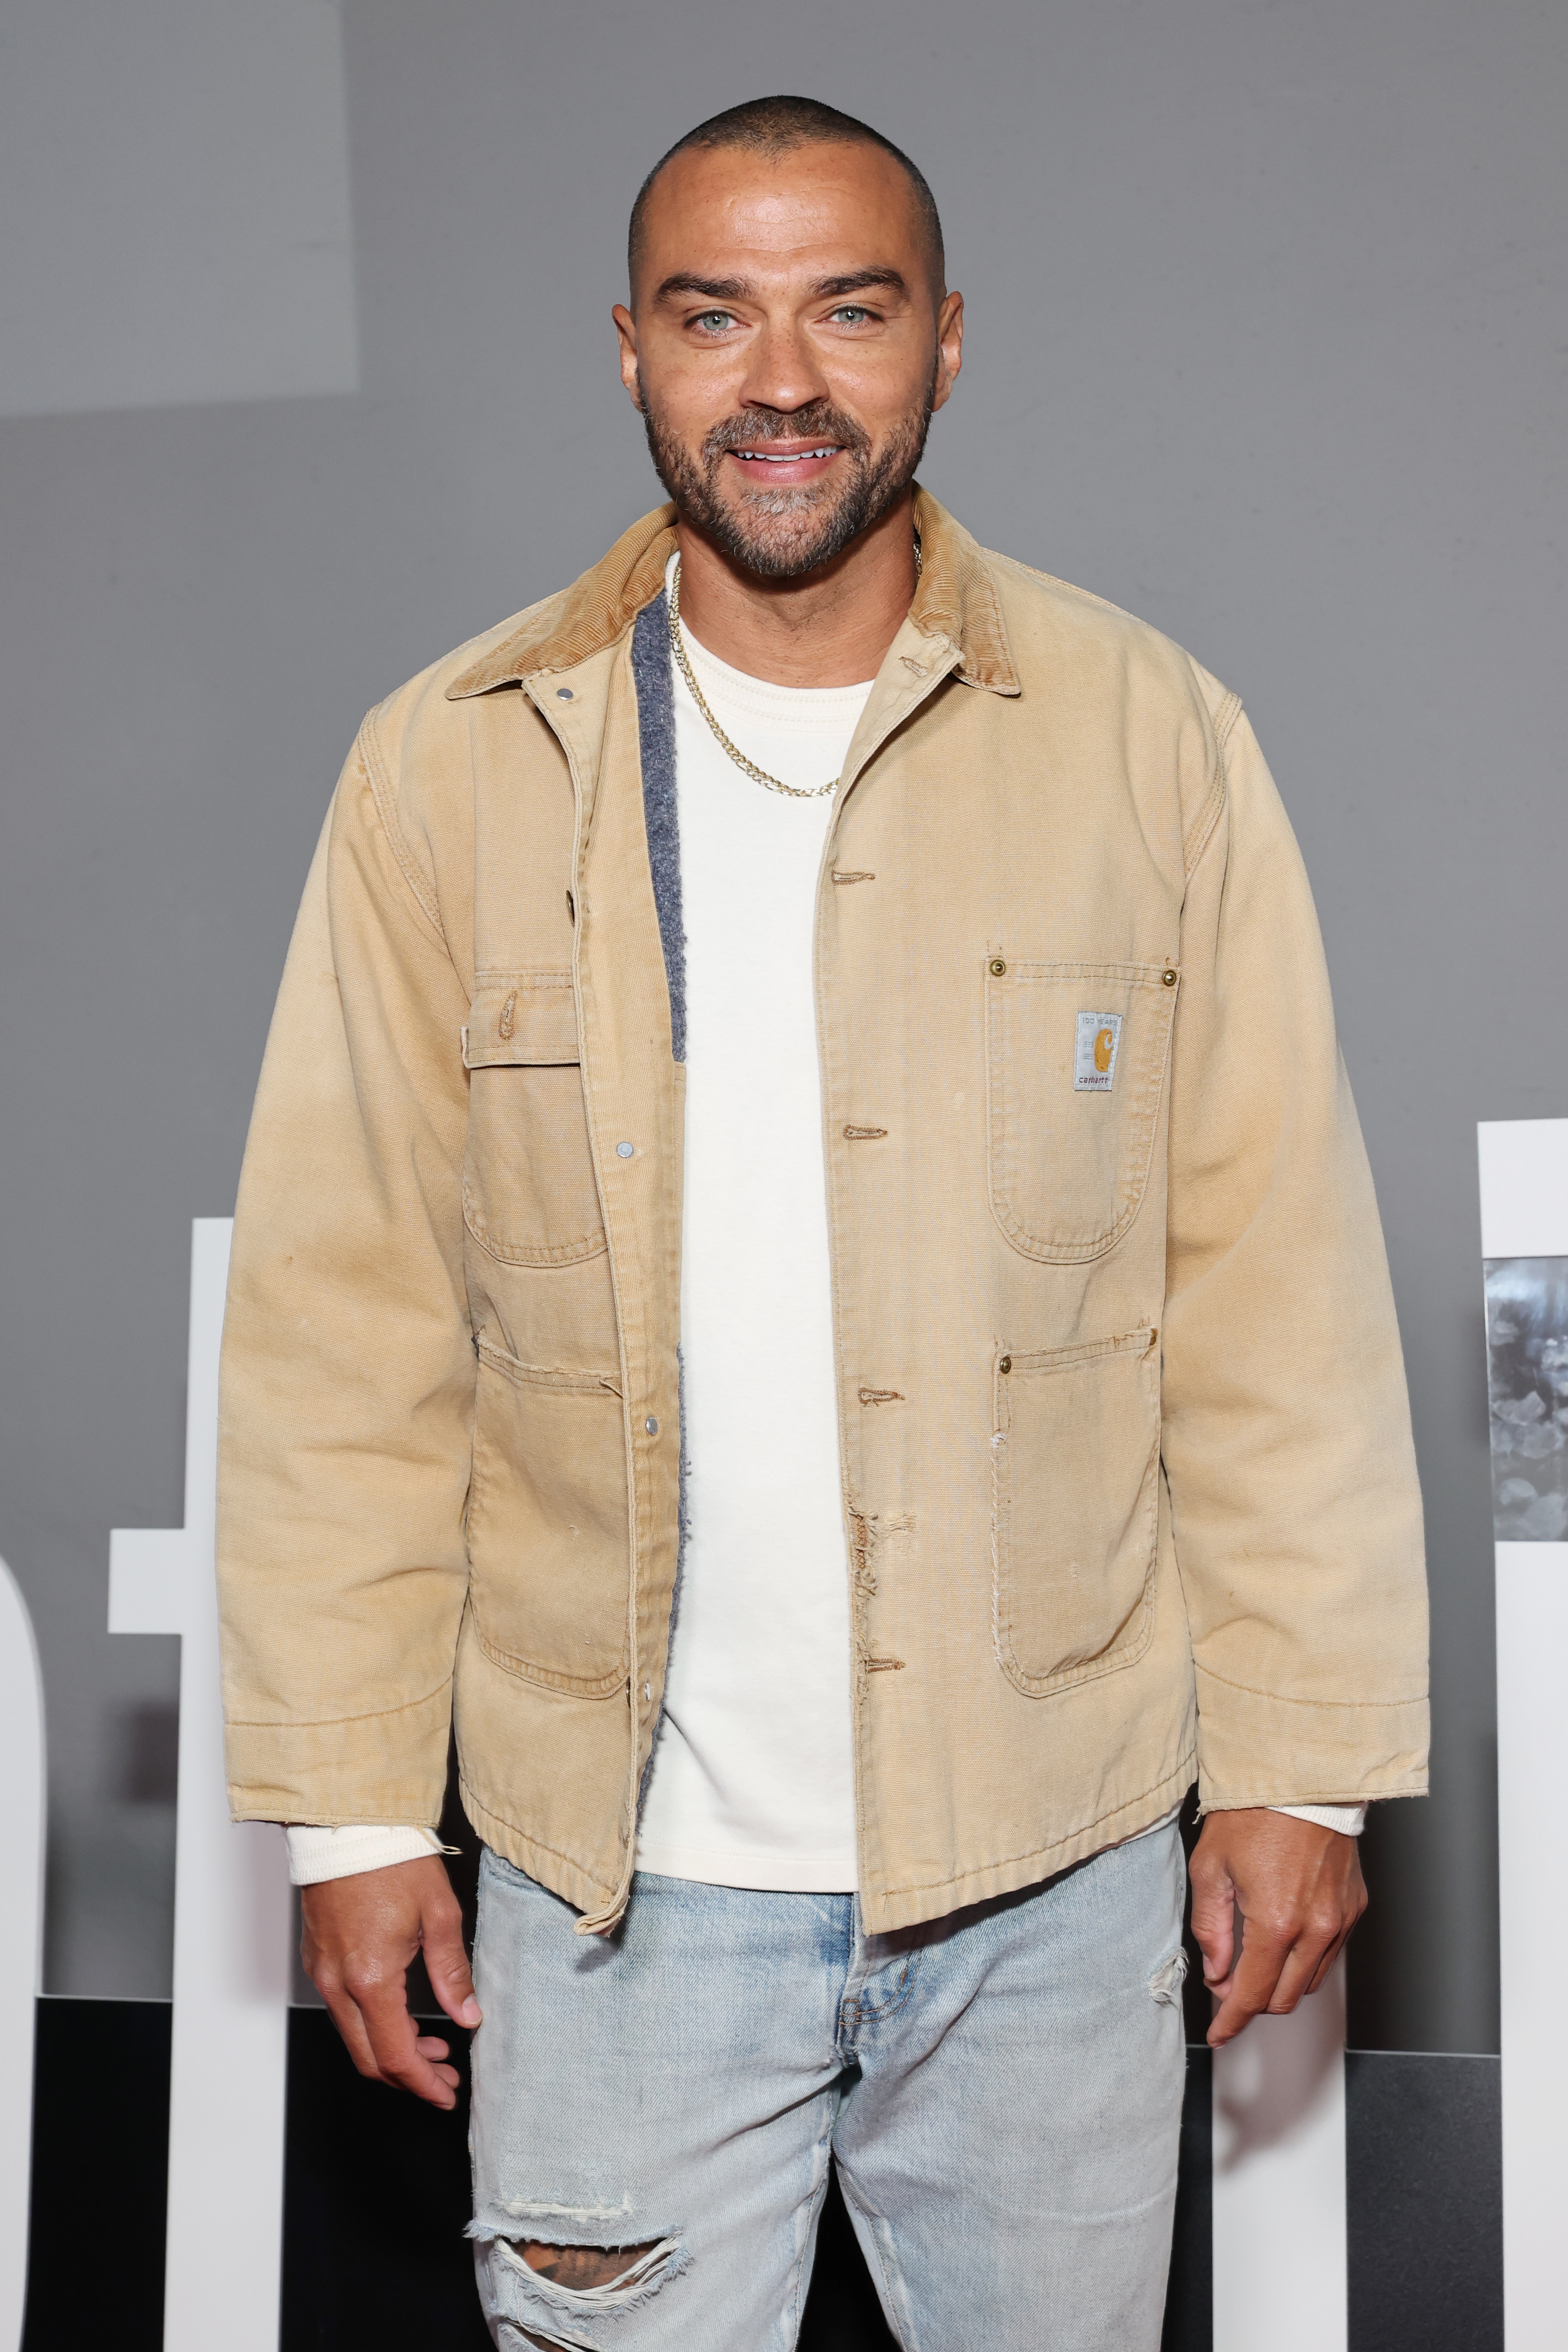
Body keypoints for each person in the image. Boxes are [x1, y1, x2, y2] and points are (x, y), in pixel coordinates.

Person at [216, 94, 1428, 2351]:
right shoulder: (450, 763)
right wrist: (350, 1818)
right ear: (630, 351)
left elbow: (1270, 1287)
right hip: (608, 1889)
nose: (779, 380)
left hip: (1053, 1863)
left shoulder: (1146, 736)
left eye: (847, 312)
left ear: (946, 342)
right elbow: (344, 1323)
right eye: (713, 317)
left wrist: (1299, 1763)